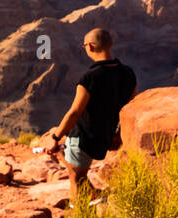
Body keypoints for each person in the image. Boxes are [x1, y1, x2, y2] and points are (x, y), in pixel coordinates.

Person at [45, 28, 137, 203]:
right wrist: (118, 133)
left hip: (83, 137)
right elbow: (130, 108)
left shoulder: (90, 77)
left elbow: (75, 112)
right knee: (79, 176)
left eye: (85, 45)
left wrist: (56, 136)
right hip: (108, 135)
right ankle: (96, 202)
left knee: (76, 179)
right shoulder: (128, 73)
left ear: (91, 47)